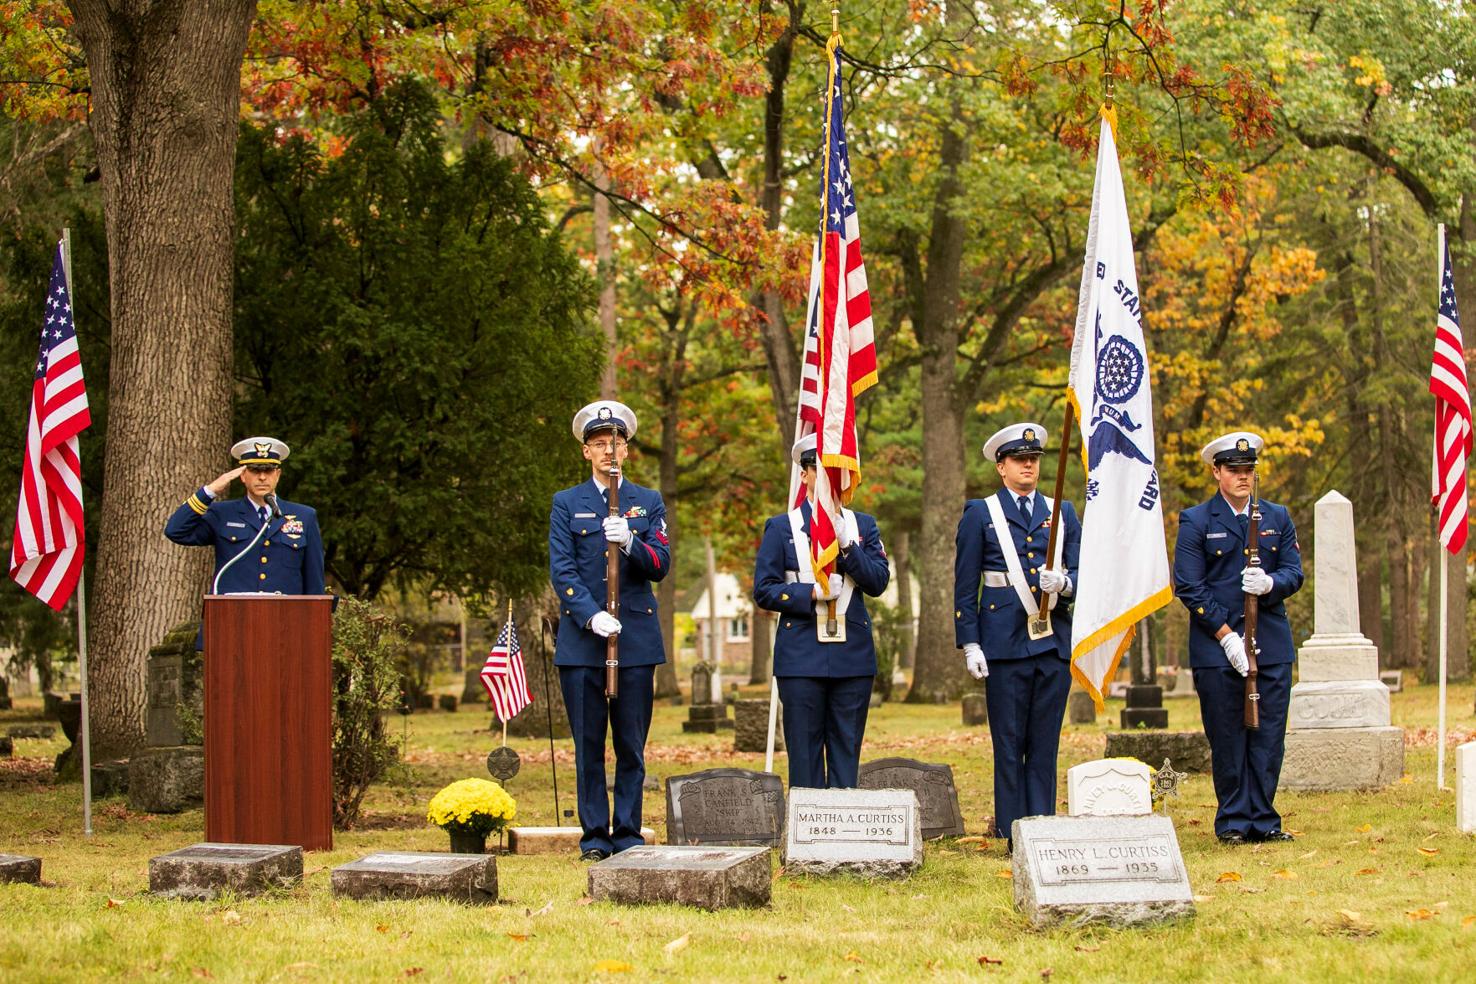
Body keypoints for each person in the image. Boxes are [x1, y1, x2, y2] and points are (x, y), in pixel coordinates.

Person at [549, 400, 670, 861]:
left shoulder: (646, 502)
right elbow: (562, 570)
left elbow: (660, 564)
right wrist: (589, 613)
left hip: (635, 640)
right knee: (589, 747)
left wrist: (633, 542)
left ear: (627, 449)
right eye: (599, 444)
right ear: (586, 453)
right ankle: (595, 837)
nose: (609, 451)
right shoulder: (567, 504)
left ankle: (628, 833)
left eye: (616, 442)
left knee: (631, 745)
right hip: (584, 642)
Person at [952, 422, 1081, 844]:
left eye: (1034, 459)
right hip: (1003, 642)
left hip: (1052, 640)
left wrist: (1064, 584)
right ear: (1001, 467)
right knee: (1009, 744)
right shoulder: (981, 513)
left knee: (1045, 743)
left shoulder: (1061, 511)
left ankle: (1041, 827)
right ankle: (1012, 831)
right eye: (1019, 460)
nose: (1028, 465)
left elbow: (1084, 571)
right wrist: (970, 641)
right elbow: (965, 581)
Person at [1174, 431, 1304, 844]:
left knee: (1268, 737)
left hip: (1270, 643)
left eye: (1249, 470)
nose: (1243, 477)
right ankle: (1232, 821)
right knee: (1227, 736)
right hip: (1218, 647)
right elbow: (1189, 587)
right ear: (1217, 472)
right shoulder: (1196, 520)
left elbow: (1294, 572)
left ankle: (1264, 819)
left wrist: (1270, 583)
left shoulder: (1276, 517)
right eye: (1234, 470)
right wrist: (1226, 635)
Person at [752, 433, 891, 789]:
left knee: (847, 748)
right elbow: (764, 590)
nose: (828, 479)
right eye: (819, 470)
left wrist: (847, 544)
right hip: (801, 655)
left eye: (835, 471)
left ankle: (844, 829)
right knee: (804, 752)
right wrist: (810, 592)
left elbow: (877, 582)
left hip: (852, 656)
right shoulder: (781, 527)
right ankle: (808, 831)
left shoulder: (863, 527)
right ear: (805, 475)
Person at [164, 437, 325, 616]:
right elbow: (176, 531)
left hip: (285, 621)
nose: (262, 477)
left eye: (269, 471)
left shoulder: (304, 516)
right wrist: (210, 491)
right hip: (232, 620)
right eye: (255, 471)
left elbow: (314, 582)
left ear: (277, 474)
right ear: (242, 475)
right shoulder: (223, 513)